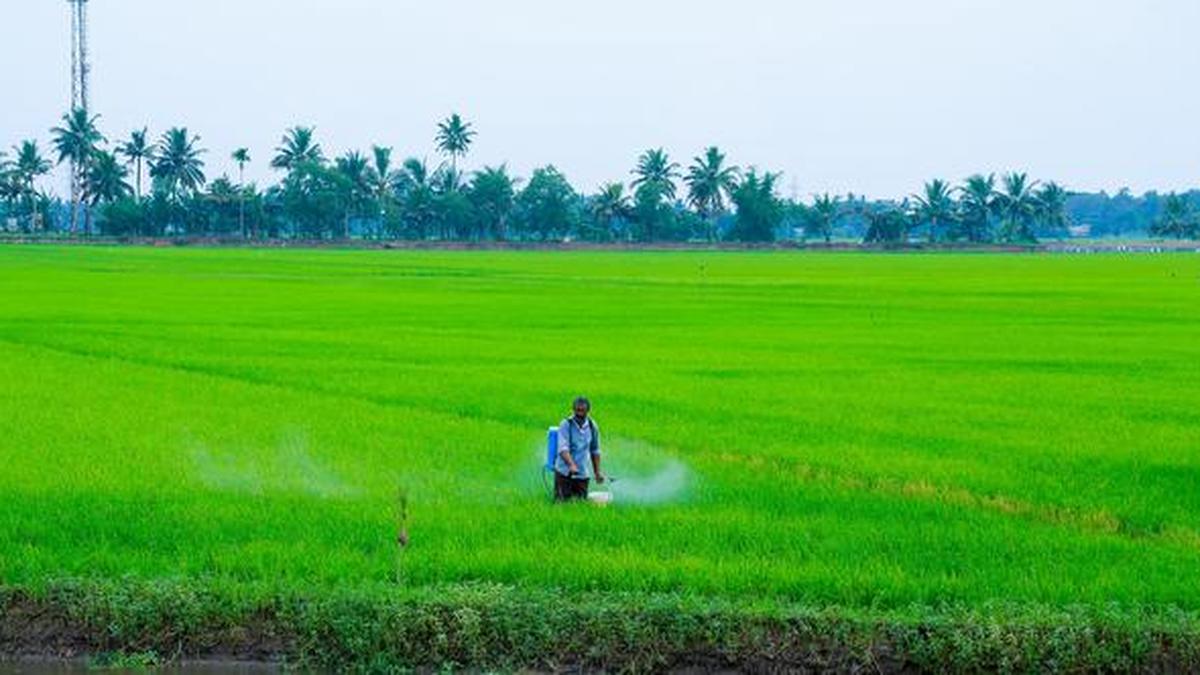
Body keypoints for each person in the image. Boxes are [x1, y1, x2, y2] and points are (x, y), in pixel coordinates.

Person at [555, 396, 604, 502]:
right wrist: (571, 465)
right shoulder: (566, 424)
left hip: (582, 474)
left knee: (580, 504)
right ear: (573, 410)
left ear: (588, 411)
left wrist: (597, 472)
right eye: (577, 410)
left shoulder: (592, 425)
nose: (580, 414)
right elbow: (563, 448)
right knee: (562, 504)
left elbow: (595, 450)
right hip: (564, 473)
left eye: (583, 411)